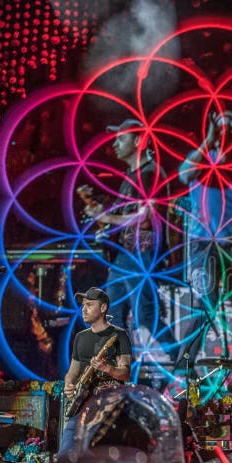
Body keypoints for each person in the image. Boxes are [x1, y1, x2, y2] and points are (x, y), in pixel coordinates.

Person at [176, 110, 232, 363]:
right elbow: (183, 175)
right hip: (203, 248)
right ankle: (184, 373)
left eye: (231, 132)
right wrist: (207, 142)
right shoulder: (202, 162)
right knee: (206, 307)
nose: (226, 137)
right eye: (221, 132)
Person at [96, 118, 176, 358]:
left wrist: (109, 221)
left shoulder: (150, 172)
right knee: (111, 316)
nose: (116, 143)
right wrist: (106, 227)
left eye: (122, 138)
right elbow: (126, 215)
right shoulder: (131, 176)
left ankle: (182, 363)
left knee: (146, 317)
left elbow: (145, 216)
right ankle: (120, 371)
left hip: (142, 254)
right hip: (125, 256)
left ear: (139, 140)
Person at [59, 287, 132, 458]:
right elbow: (73, 371)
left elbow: (125, 373)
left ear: (103, 308)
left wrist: (108, 368)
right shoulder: (80, 337)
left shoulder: (119, 335)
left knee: (103, 458)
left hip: (108, 407)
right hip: (81, 406)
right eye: (83, 305)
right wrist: (68, 384)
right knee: (65, 456)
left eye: (89, 305)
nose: (83, 309)